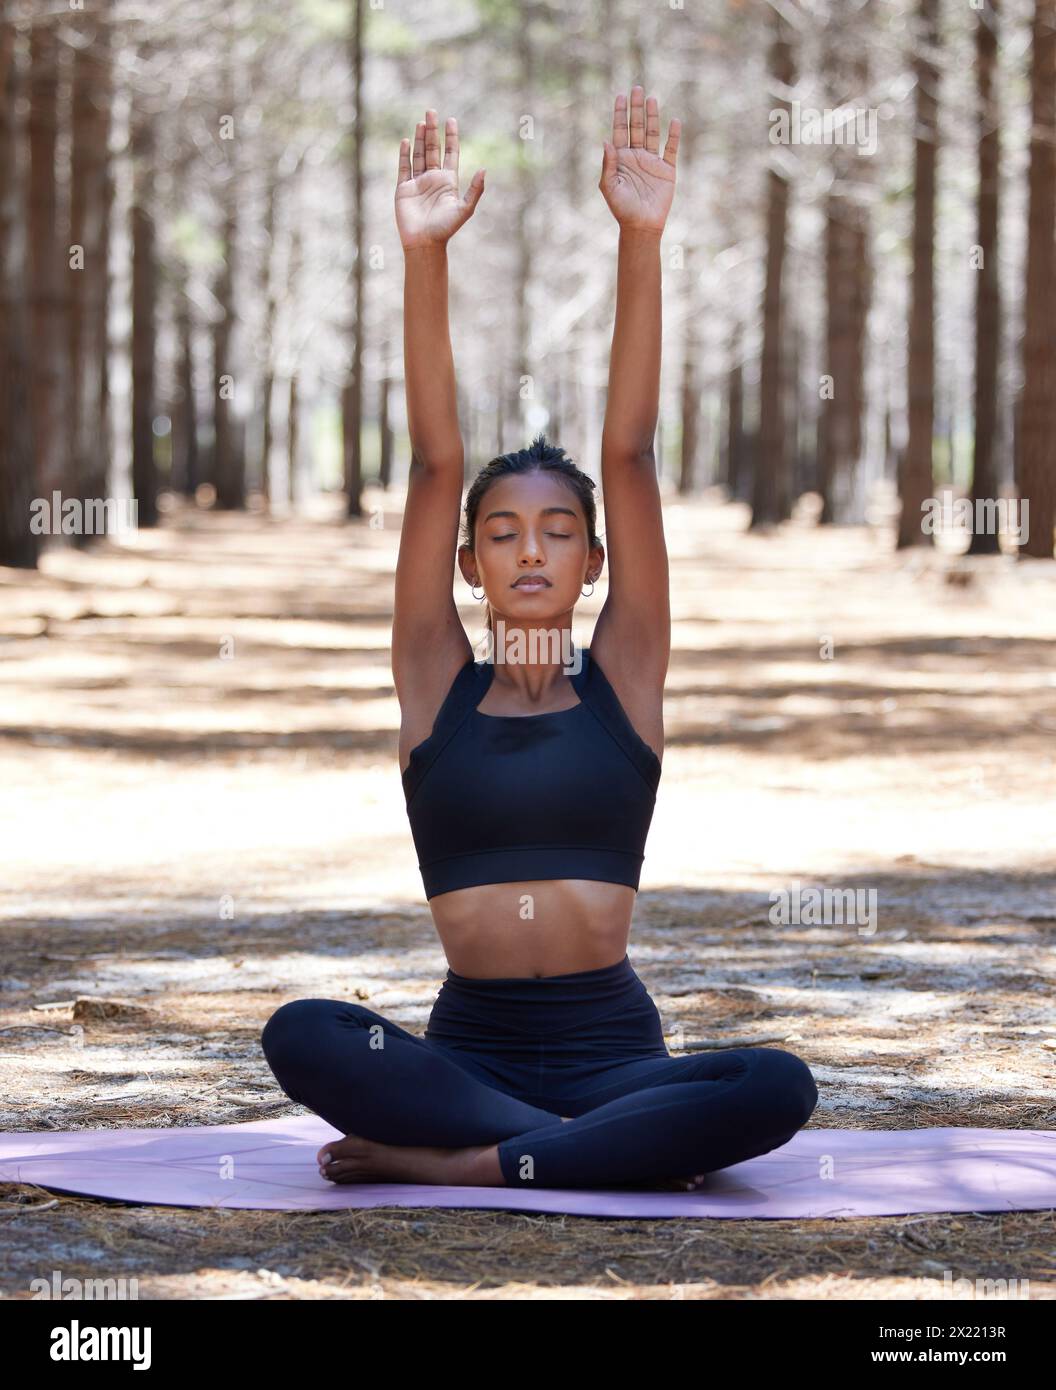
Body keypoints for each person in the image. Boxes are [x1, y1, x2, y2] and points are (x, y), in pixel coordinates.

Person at [261, 89, 819, 1191]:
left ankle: (472, 1165)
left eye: (559, 533)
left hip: (615, 1054)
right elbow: (434, 462)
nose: (530, 550)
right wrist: (424, 255)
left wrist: (641, 240)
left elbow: (631, 457)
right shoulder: (435, 683)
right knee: (303, 1031)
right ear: (468, 563)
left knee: (776, 1083)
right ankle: (569, 1147)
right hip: (468, 1058)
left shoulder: (626, 678)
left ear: (593, 562)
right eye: (502, 533)